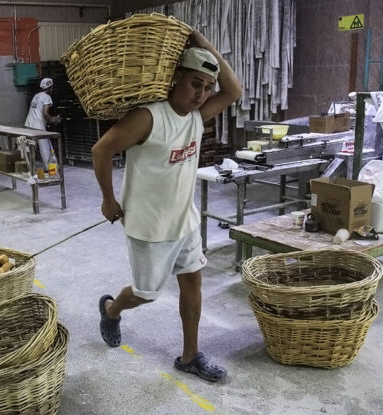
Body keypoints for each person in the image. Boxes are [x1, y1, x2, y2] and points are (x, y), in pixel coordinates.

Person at [91, 30, 242, 382]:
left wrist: (206, 47)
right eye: (194, 84)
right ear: (175, 78)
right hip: (149, 226)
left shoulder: (195, 116)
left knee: (192, 284)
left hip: (184, 221)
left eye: (206, 87)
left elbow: (233, 91)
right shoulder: (148, 117)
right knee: (146, 294)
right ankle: (112, 310)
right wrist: (108, 200)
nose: (201, 94)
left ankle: (190, 356)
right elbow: (102, 150)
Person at [24, 77, 62, 170]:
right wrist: (54, 120)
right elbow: (45, 113)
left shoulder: (36, 96)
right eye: (51, 87)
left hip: (29, 123)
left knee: (30, 147)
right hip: (38, 126)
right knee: (45, 148)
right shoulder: (47, 97)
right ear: (49, 88)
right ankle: (51, 169)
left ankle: (26, 167)